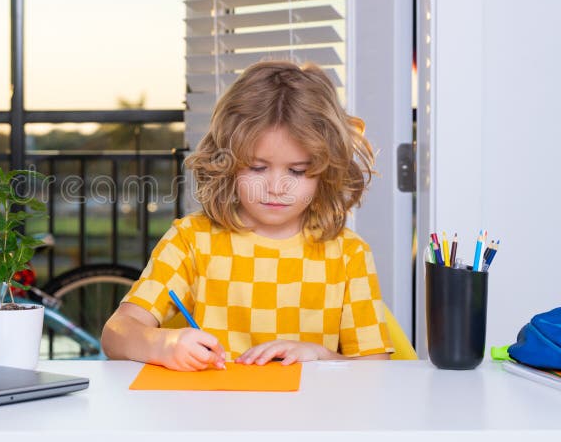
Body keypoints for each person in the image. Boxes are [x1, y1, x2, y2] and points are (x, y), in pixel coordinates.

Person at [101, 60, 394, 371]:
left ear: (326, 171)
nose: (276, 187)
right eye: (257, 167)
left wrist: (319, 355)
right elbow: (116, 333)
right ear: (227, 163)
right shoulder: (191, 240)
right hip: (212, 403)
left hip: (311, 405)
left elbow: (375, 367)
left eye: (297, 171)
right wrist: (163, 344)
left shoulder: (349, 254)